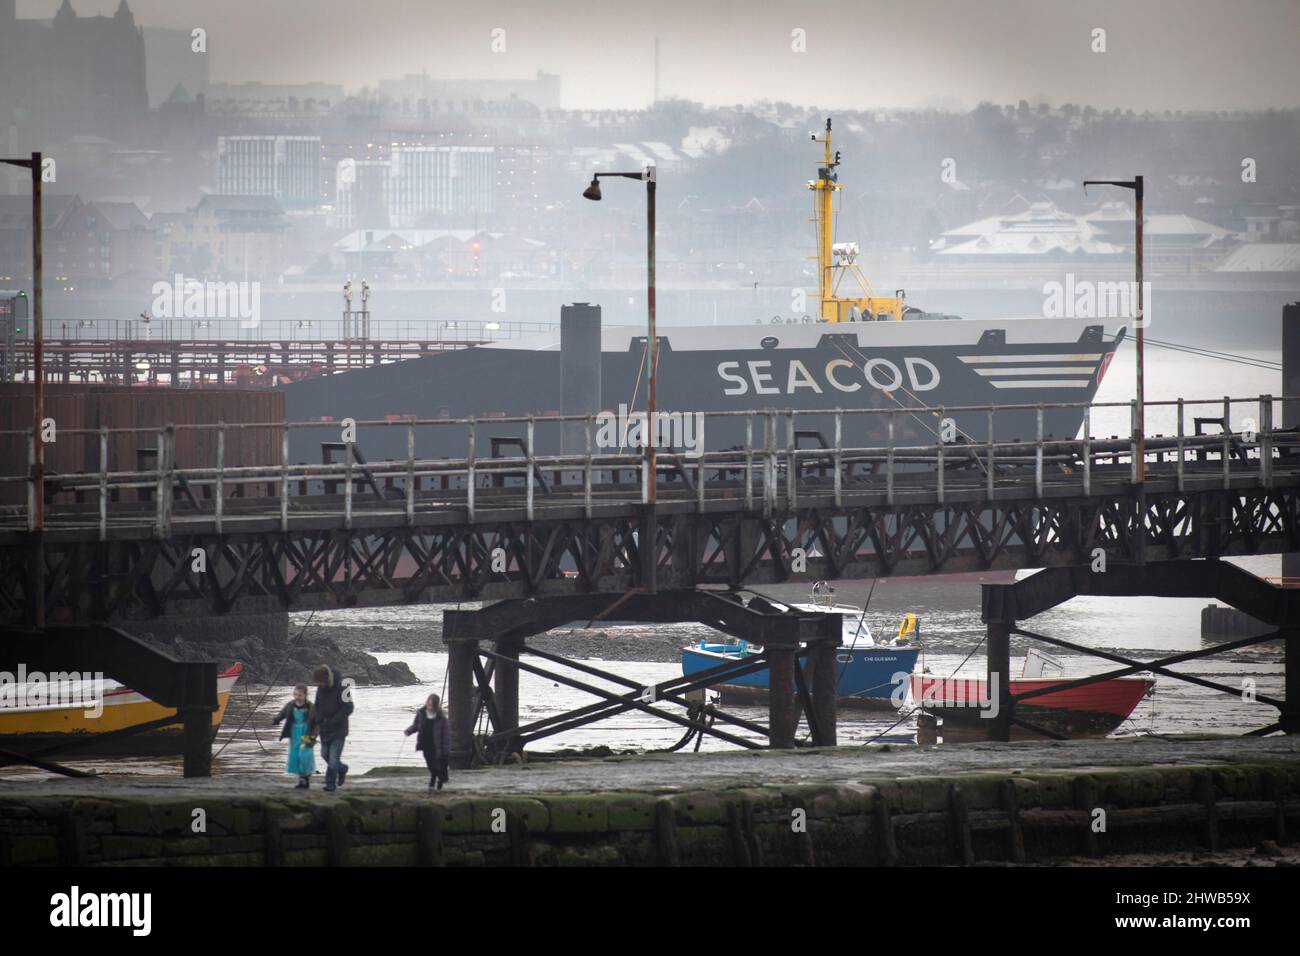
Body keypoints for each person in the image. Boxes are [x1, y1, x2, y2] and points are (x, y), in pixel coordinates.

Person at [312, 664, 354, 792]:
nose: (320, 684)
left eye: (321, 682)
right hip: (324, 729)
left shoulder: (343, 686)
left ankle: (330, 784)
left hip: (339, 729)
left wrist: (334, 720)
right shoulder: (320, 689)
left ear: (327, 678)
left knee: (333, 757)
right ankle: (342, 769)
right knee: (325, 754)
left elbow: (349, 707)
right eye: (318, 682)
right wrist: (318, 720)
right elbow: (317, 706)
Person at [404, 693, 451, 792]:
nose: (429, 707)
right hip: (425, 743)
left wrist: (446, 749)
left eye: (431, 705)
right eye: (428, 704)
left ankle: (433, 784)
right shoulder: (421, 713)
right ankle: (440, 780)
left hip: (436, 745)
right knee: (430, 765)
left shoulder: (441, 718)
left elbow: (446, 735)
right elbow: (416, 725)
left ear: (435, 705)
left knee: (436, 766)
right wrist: (409, 731)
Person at [272, 685, 316, 788]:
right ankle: (302, 780)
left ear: (305, 695)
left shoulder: (310, 706)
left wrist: (314, 735)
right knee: (295, 756)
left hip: (307, 733)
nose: (297, 697)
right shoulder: (290, 705)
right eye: (295, 694)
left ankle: (306, 777)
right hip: (294, 734)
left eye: (300, 695)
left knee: (304, 755)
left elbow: (316, 722)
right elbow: (282, 714)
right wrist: (276, 720)